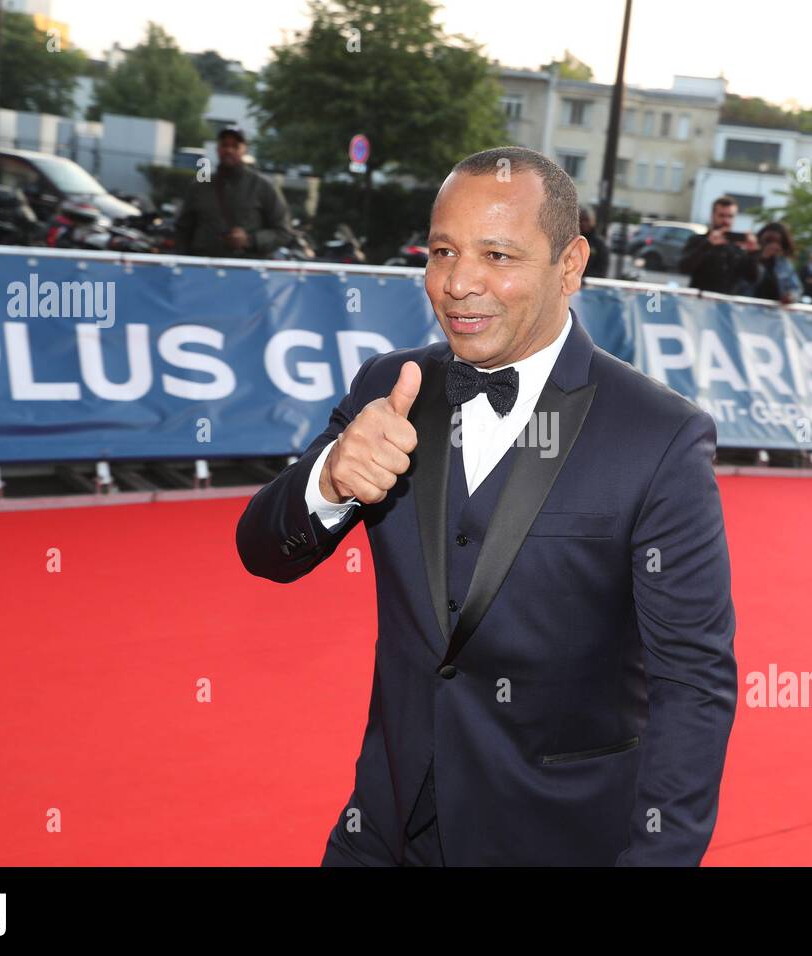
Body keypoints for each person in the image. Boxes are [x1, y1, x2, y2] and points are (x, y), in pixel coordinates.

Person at [236, 145, 738, 867]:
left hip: (558, 838)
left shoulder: (658, 435)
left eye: (498, 255)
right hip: (383, 827)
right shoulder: (392, 383)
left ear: (570, 266)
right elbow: (262, 553)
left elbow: (693, 679)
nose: (459, 283)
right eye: (442, 251)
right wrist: (328, 478)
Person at [174, 126, 293, 258]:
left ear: (244, 149)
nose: (229, 150)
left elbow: (283, 232)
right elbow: (183, 230)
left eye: (235, 146)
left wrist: (250, 240)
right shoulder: (200, 186)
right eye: (224, 145)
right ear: (217, 149)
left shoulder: (262, 186)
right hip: (204, 271)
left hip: (246, 271)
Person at [679, 195, 758, 294]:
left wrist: (753, 253)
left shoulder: (738, 247)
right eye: (721, 215)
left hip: (727, 305)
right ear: (712, 216)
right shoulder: (698, 240)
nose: (726, 221)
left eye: (730, 216)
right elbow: (683, 268)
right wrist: (708, 245)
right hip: (699, 303)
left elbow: (752, 278)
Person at [745, 222, 803, 305]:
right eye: (769, 241)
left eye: (778, 242)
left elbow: (796, 288)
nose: (773, 245)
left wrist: (791, 296)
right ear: (760, 240)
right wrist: (761, 258)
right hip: (745, 310)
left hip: (774, 314)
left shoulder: (784, 264)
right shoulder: (748, 258)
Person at [578, 206, 609, 280]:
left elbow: (602, 270)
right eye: (581, 220)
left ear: (592, 221)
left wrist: (583, 278)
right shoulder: (572, 241)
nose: (584, 224)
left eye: (587, 220)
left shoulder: (599, 244)